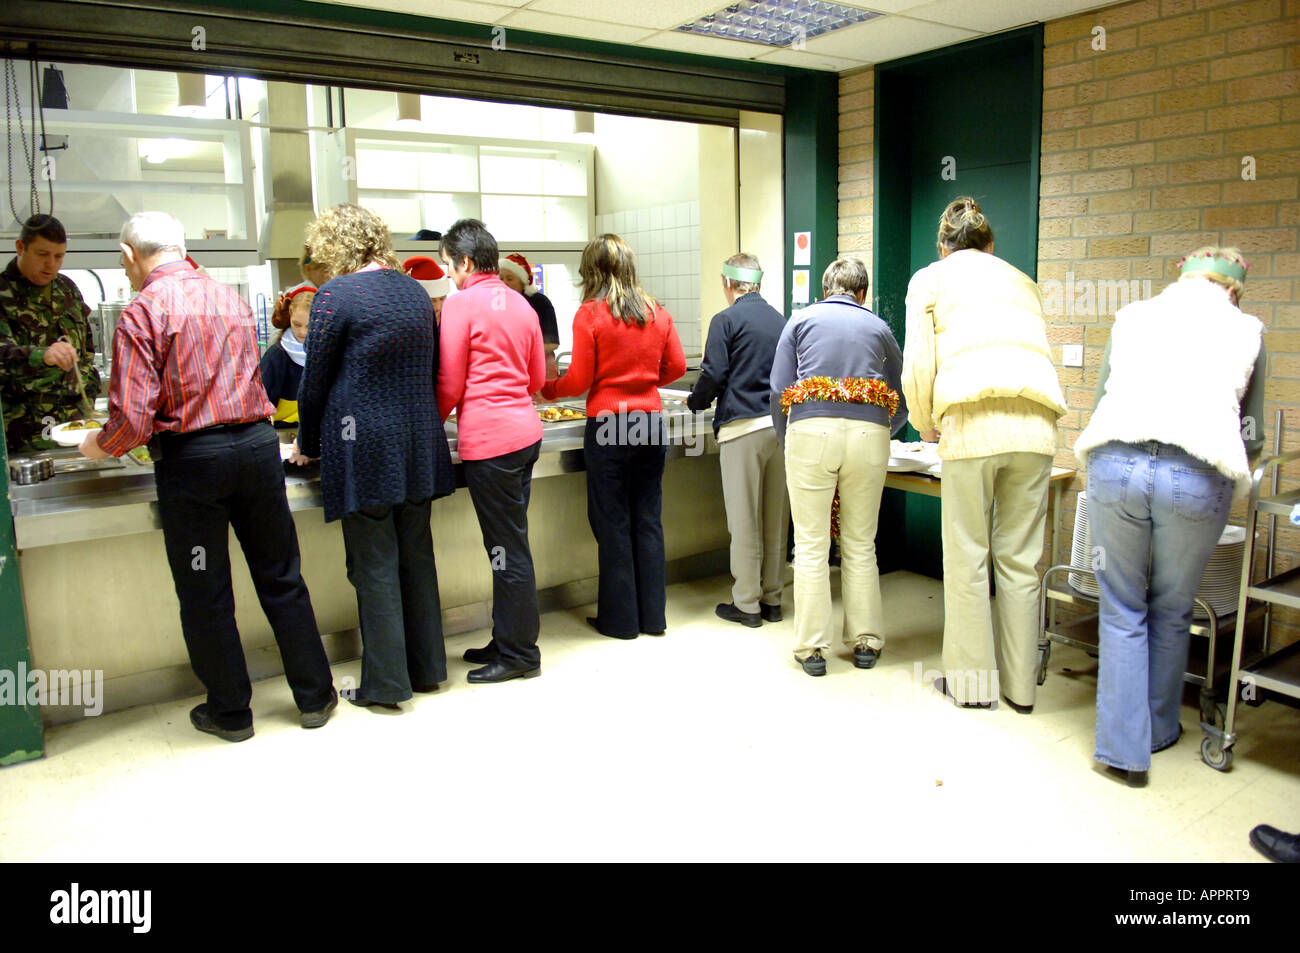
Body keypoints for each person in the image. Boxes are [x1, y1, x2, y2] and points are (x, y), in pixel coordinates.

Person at [78, 211, 336, 740]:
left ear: (130, 256)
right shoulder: (230, 299)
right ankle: (315, 697)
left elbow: (132, 417)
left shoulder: (142, 311)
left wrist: (97, 446)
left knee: (206, 587)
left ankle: (231, 712)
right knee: (281, 575)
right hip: (258, 449)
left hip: (195, 462)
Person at [1074, 247, 1264, 786]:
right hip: (1197, 471)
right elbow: (1252, 429)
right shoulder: (1247, 329)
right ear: (1232, 289)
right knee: (1173, 608)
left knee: (1121, 607)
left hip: (1115, 462)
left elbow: (1102, 398)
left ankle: (1121, 751)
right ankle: (1159, 729)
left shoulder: (1133, 316)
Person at [903, 198, 1066, 711]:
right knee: (1020, 562)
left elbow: (917, 365)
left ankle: (971, 687)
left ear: (942, 246)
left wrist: (924, 422)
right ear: (990, 244)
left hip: (973, 426)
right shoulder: (1022, 281)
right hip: (1036, 429)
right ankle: (1020, 690)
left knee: (968, 557)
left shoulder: (931, 278)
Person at [296, 204, 456, 709]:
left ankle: (386, 684)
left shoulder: (335, 295)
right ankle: (428, 668)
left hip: (362, 445)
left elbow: (314, 383)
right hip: (418, 440)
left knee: (374, 564)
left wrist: (305, 441)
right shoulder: (413, 291)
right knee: (417, 556)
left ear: (334, 246)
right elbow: (429, 367)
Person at [543, 233, 687, 640]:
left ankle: (621, 621)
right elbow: (675, 366)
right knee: (647, 519)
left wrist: (548, 388)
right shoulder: (656, 311)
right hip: (649, 422)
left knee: (612, 522)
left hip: (608, 425)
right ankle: (652, 618)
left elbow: (580, 380)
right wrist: (643, 383)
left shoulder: (589, 314)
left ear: (592, 271)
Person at [771, 257, 906, 677]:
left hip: (811, 431)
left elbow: (778, 388)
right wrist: (886, 429)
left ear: (826, 289)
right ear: (862, 293)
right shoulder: (879, 327)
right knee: (861, 542)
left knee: (811, 544)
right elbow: (898, 395)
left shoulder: (800, 320)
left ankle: (812, 649)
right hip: (869, 437)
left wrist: (787, 438)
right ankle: (866, 642)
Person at [438, 218, 547, 682]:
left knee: (506, 549)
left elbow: (449, 381)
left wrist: (432, 421)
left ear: (465, 262)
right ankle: (508, 637)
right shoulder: (522, 304)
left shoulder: (461, 304)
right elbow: (538, 380)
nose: (450, 276)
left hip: (491, 444)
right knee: (511, 543)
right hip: (526, 437)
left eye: (449, 266)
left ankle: (521, 654)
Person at [687, 253, 788, 628]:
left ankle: (746, 602)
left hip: (741, 430)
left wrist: (696, 401)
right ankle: (774, 598)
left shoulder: (725, 320)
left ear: (729, 283)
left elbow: (713, 372)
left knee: (745, 520)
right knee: (775, 517)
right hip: (779, 430)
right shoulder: (781, 320)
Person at [0, 214, 101, 453]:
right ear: (20, 247)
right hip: (23, 437)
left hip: (75, 431)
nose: (51, 264)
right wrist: (42, 356)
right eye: (42, 255)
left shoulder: (67, 289)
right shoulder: (3, 294)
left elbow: (86, 350)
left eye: (59, 256)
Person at [259, 282, 314, 427]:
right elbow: (261, 401)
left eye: (309, 326)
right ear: (288, 319)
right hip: (282, 430)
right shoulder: (277, 355)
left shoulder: (327, 353)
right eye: (297, 324)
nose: (302, 332)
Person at [500, 252, 561, 380]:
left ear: (523, 282)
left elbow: (552, 343)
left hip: (541, 367)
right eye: (501, 279)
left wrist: (520, 354)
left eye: (510, 279)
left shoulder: (539, 302)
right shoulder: (496, 304)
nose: (504, 283)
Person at [402, 256, 450, 325]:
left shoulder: (451, 319)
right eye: (432, 300)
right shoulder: (408, 321)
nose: (438, 307)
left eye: (442, 299)